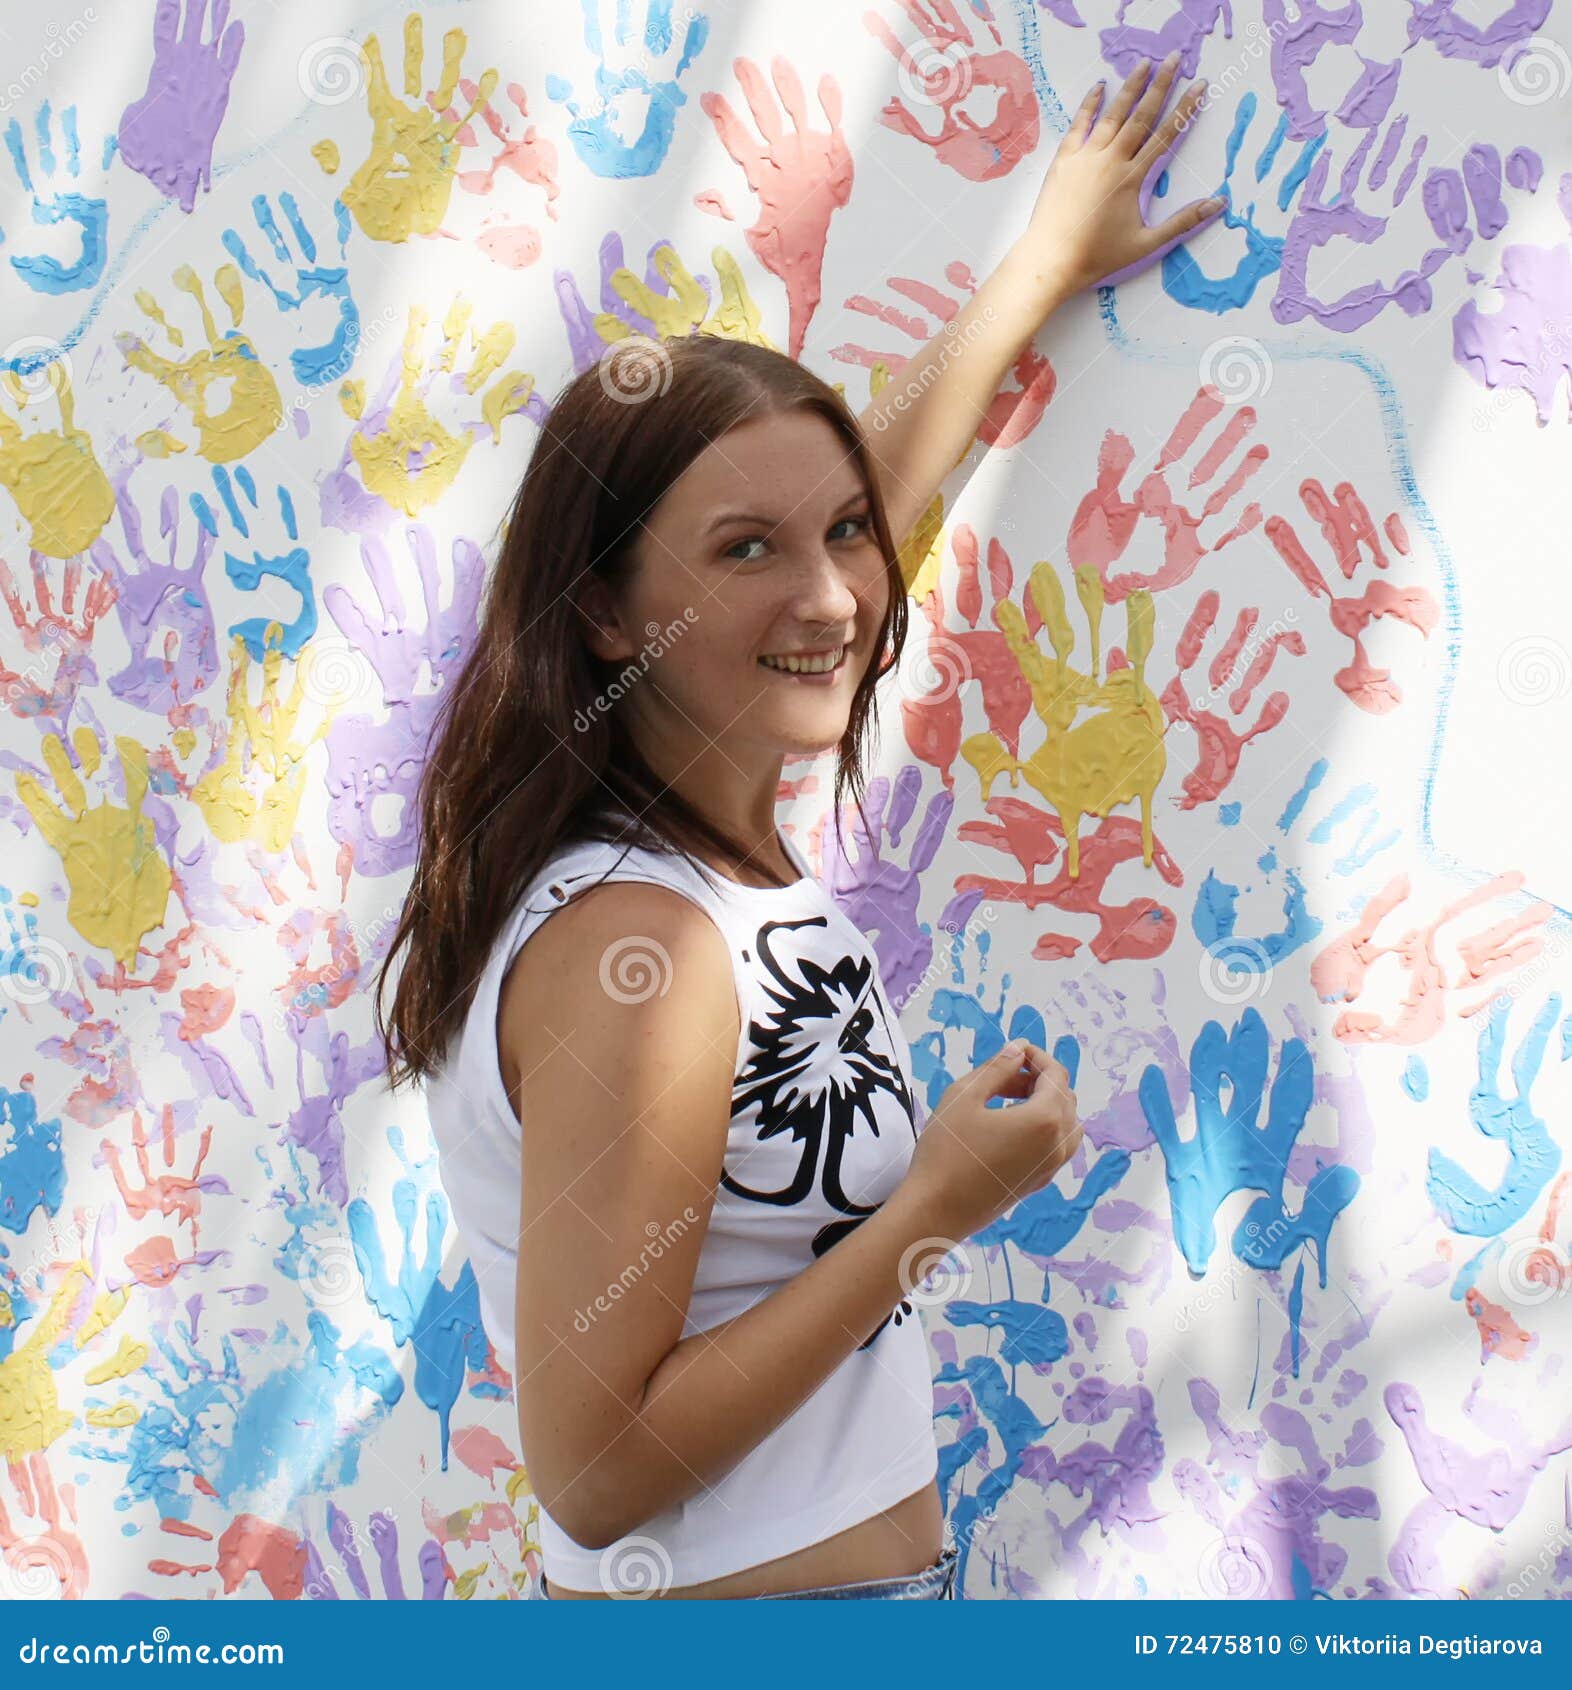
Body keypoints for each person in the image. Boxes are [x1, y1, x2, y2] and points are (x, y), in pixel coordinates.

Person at [376, 53, 1221, 1599]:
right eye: (746, 547)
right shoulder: (644, 950)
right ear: (614, 616)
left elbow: (827, 554)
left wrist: (1037, 266)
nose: (830, 593)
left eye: (840, 535)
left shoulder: (668, 817)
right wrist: (934, 1208)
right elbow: (596, 1468)